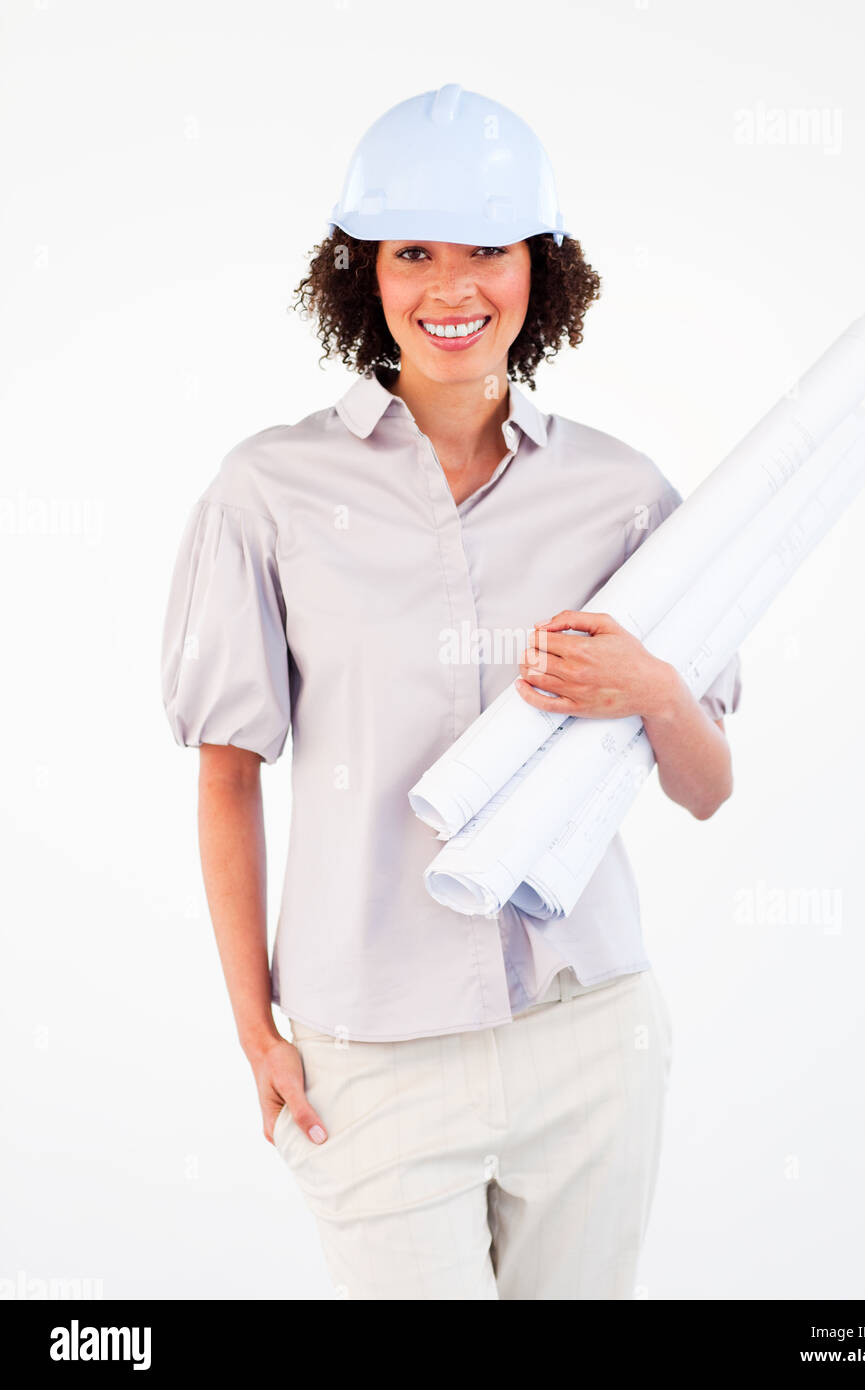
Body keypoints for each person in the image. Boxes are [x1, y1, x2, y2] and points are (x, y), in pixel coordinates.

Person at [160, 83, 741, 1301]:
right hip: (365, 1058)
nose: (452, 287)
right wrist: (255, 1029)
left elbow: (706, 786)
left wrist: (646, 685)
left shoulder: (620, 495)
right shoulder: (265, 493)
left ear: (543, 267)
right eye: (412, 252)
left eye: (487, 248)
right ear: (362, 271)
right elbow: (226, 776)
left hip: (591, 1036)